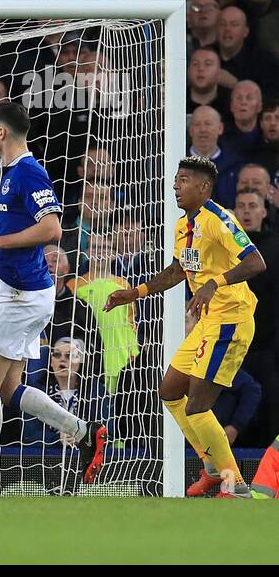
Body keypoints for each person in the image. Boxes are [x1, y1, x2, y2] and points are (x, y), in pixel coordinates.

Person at [0, 102, 108, 495]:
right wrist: (0, 254)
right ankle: (82, 432)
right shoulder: (10, 171)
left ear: (2, 132)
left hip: (24, 297)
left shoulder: (29, 171)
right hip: (18, 288)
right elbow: (22, 227)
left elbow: (51, 229)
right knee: (7, 389)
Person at [105, 156, 268, 497]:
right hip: (208, 321)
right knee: (169, 391)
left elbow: (256, 262)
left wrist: (214, 284)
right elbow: (178, 271)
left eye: (183, 180)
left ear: (204, 187)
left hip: (231, 320)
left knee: (198, 405)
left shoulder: (220, 220)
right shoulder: (183, 225)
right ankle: (211, 468)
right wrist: (135, 292)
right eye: (176, 180)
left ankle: (233, 485)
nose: (175, 186)